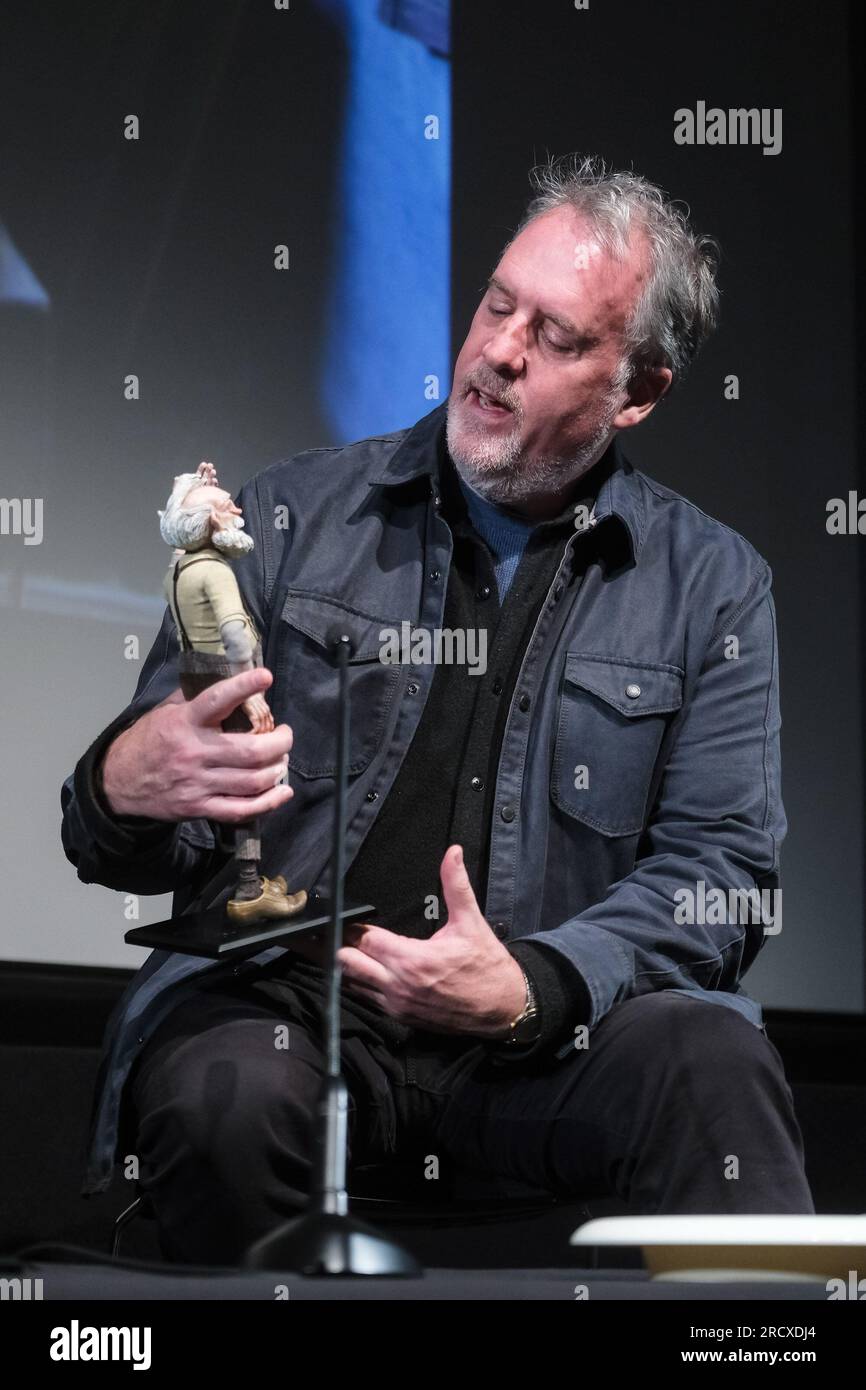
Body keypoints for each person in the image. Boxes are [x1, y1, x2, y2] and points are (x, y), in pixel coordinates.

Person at [61, 153, 813, 1266]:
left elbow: (724, 875)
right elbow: (124, 838)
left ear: (637, 389)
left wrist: (537, 985)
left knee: (709, 1063)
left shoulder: (711, 587)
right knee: (226, 1085)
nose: (498, 352)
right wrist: (123, 781)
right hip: (297, 1013)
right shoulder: (288, 517)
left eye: (555, 339)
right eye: (496, 304)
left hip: (550, 1049)